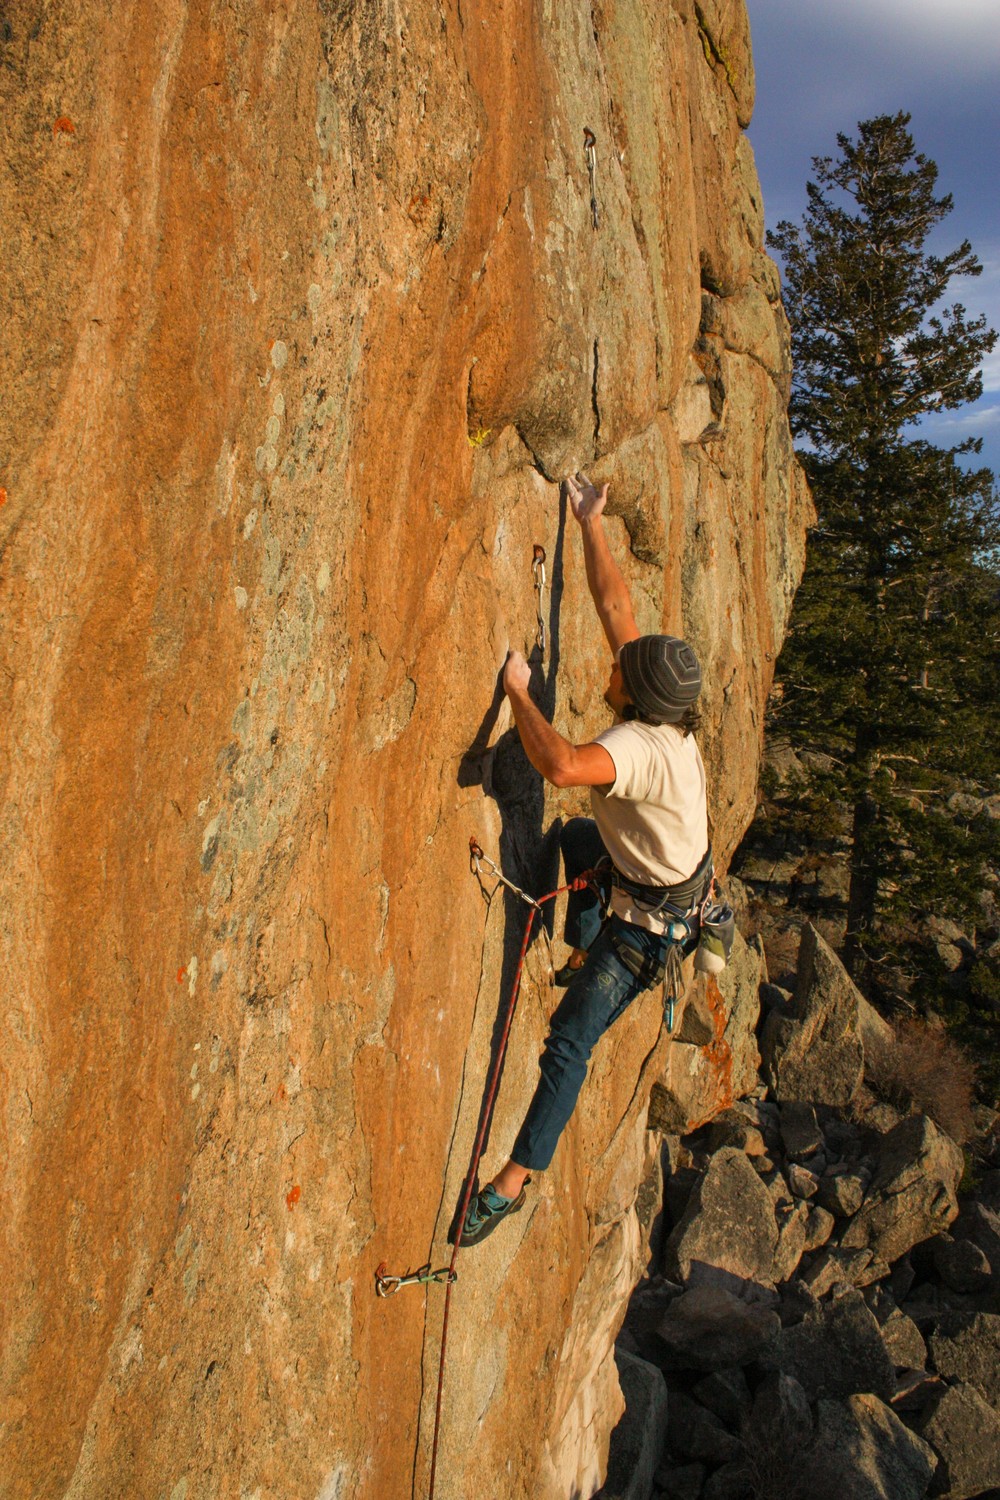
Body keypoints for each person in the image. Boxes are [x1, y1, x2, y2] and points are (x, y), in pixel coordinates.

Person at [459, 472, 711, 1247]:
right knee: (571, 843)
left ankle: (510, 1184)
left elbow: (564, 767)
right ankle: (576, 944)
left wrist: (517, 697)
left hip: (649, 934)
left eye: (618, 671)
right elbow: (614, 608)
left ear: (634, 699)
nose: (612, 663)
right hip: (652, 879)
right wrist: (588, 521)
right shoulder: (660, 717)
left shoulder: (636, 748)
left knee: (569, 1042)